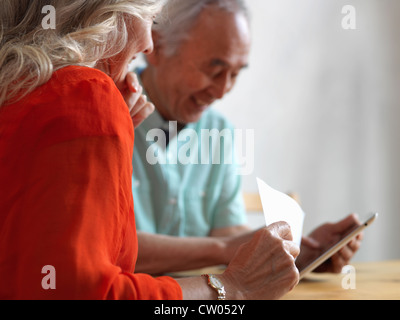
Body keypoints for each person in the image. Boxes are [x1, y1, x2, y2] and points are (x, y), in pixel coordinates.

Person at [0, 0, 300, 300]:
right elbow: (86, 291)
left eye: (235, 74)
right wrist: (232, 289)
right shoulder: (88, 98)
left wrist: (293, 251)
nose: (146, 43)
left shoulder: (21, 91)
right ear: (104, 13)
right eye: (148, 16)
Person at [131, 0, 363, 276]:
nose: (222, 90)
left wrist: (297, 253)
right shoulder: (105, 117)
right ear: (155, 48)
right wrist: (224, 248)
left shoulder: (218, 132)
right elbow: (107, 250)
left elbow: (229, 233)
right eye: (214, 70)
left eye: (236, 73)